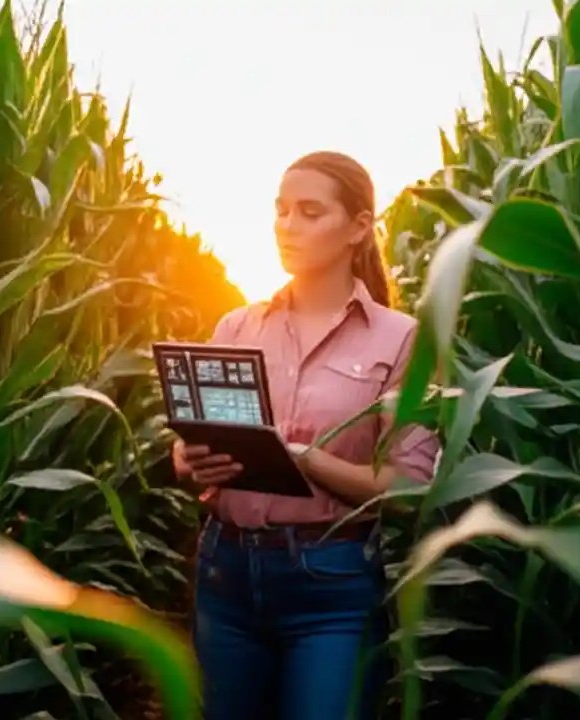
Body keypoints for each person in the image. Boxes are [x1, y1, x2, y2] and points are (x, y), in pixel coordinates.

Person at [171, 150, 441, 720]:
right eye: (281, 210)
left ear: (359, 227)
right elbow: (188, 447)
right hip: (226, 575)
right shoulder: (235, 327)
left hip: (332, 587)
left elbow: (410, 486)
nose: (287, 226)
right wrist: (190, 458)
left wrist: (301, 459)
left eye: (309, 212)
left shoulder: (401, 340)